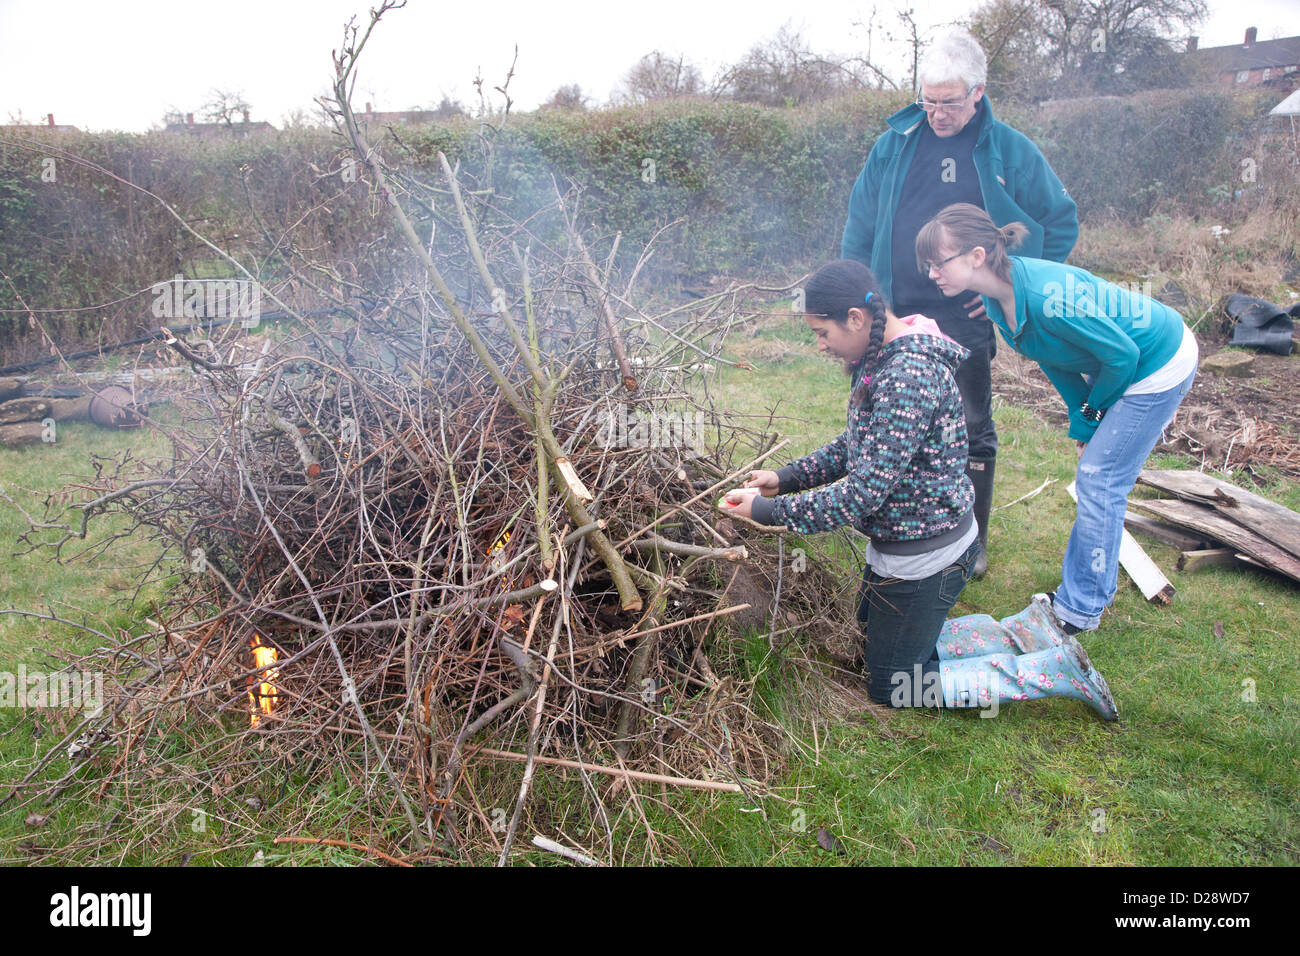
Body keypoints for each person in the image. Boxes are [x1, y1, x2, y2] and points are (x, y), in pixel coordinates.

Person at [722, 259, 1117, 719]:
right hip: (903, 543)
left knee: (894, 685)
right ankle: (1023, 632)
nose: (820, 344)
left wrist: (768, 512)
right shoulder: (878, 355)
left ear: (855, 318)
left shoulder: (907, 375)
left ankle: (1054, 670)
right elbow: (858, 445)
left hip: (928, 554)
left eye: (822, 332)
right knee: (871, 640)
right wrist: (786, 477)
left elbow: (863, 493)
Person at [840, 28, 1079, 579]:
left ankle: (969, 544)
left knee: (970, 426)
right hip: (893, 310)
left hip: (965, 316)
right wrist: (864, 298)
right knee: (885, 420)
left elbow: (1059, 220)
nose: (937, 113)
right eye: (928, 99)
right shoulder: (895, 143)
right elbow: (861, 224)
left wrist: (1007, 285)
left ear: (978, 92)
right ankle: (893, 534)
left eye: (949, 102)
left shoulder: (1010, 150)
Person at [916, 202, 1198, 635]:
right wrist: (1085, 422)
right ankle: (1079, 591)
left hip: (1158, 363)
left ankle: (1081, 610)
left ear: (976, 256)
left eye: (939, 263)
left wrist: (1093, 411)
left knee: (1101, 479)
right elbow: (1053, 359)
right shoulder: (998, 301)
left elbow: (1123, 357)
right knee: (1095, 476)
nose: (932, 273)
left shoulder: (1048, 298)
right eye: (928, 266)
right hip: (1122, 364)